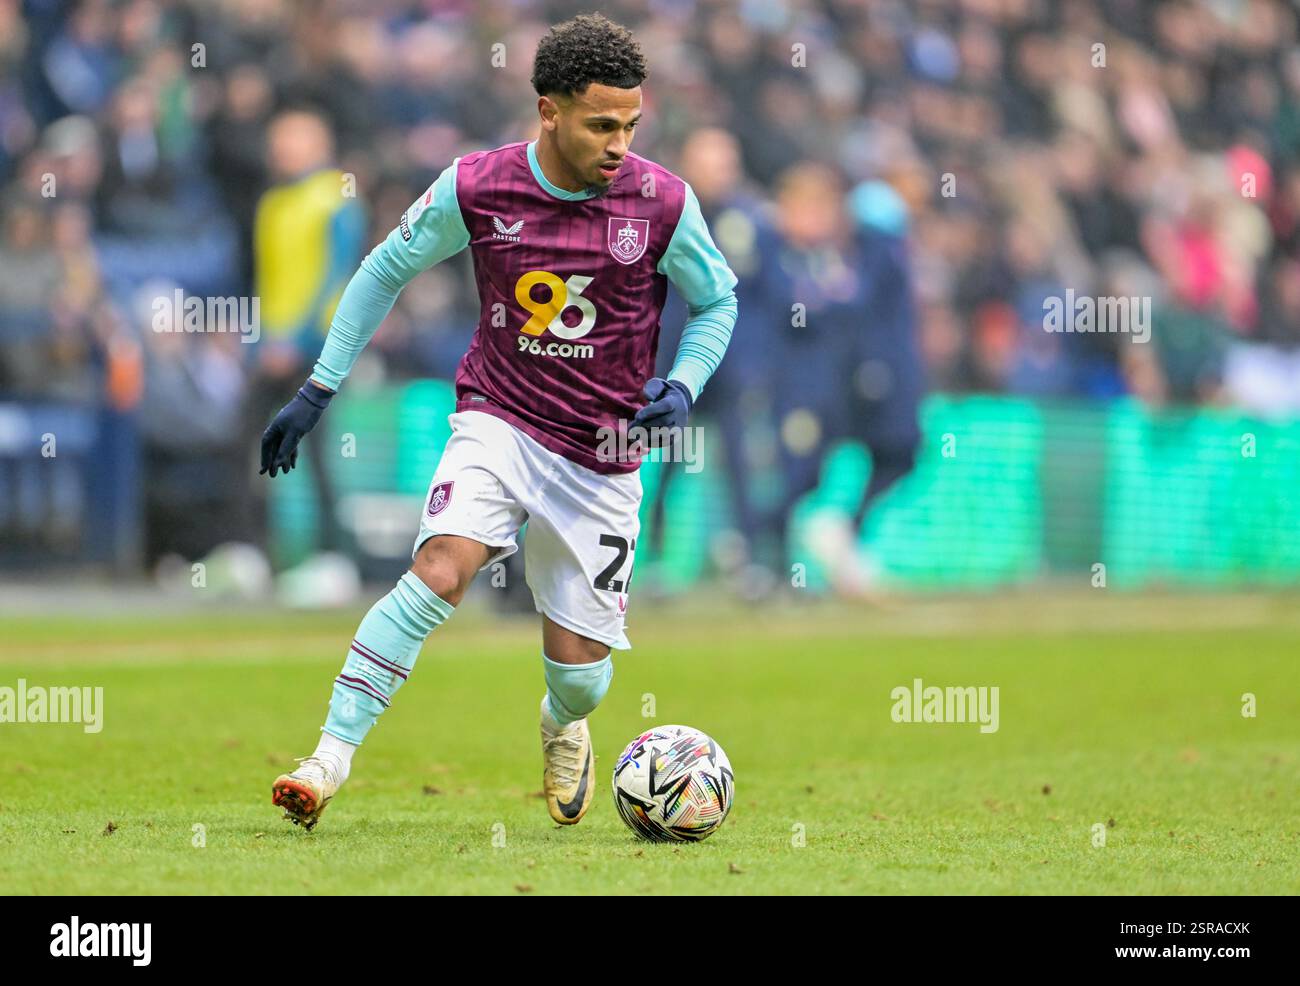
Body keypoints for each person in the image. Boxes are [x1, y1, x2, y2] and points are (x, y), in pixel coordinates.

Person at [260, 14, 738, 830]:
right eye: (601, 124)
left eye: (631, 125)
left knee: (582, 676)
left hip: (605, 454)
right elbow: (384, 269)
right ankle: (327, 760)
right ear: (548, 111)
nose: (620, 143)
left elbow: (718, 299)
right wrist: (320, 388)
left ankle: (562, 723)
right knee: (442, 568)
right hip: (500, 419)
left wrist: (685, 385)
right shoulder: (477, 186)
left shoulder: (662, 201)